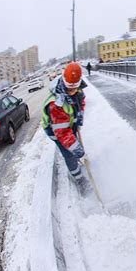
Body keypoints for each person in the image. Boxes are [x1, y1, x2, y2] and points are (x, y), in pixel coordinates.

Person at [41, 62, 89, 193]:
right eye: (69, 89)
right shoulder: (55, 104)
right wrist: (77, 150)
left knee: (74, 144)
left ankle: (77, 158)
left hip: (69, 122)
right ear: (63, 81)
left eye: (75, 88)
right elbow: (62, 133)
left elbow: (81, 103)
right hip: (55, 130)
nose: (72, 91)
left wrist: (79, 116)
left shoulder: (77, 90)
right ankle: (79, 180)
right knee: (69, 153)